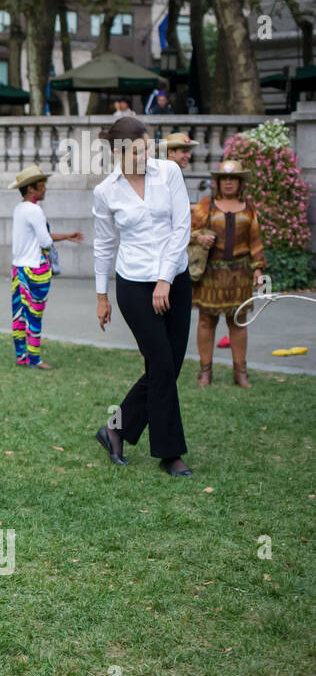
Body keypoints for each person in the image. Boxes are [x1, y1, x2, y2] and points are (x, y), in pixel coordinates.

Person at [91, 115, 194, 477]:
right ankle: (170, 454)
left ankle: (116, 429)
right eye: (137, 151)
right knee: (162, 365)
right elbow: (104, 244)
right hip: (133, 285)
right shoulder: (106, 191)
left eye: (148, 147)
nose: (145, 155)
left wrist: (165, 279)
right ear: (119, 152)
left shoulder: (169, 173)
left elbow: (182, 226)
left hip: (176, 280)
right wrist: (102, 295)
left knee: (168, 367)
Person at [191, 159, 266, 388]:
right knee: (206, 320)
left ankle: (240, 372)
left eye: (233, 178)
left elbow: (255, 241)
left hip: (240, 273)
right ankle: (205, 371)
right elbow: (189, 230)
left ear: (241, 181)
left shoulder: (248, 208)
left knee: (238, 321)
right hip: (210, 273)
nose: (229, 182)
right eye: (225, 178)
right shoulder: (207, 204)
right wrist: (200, 238)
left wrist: (258, 269)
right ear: (218, 182)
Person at [7, 164, 83, 369]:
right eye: (42, 186)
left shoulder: (20, 209)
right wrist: (56, 243)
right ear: (31, 189)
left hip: (18, 268)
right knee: (35, 315)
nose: (45, 189)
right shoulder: (35, 210)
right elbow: (45, 241)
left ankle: (22, 356)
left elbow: (38, 237)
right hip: (35, 270)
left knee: (19, 314)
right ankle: (35, 359)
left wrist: (66, 235)